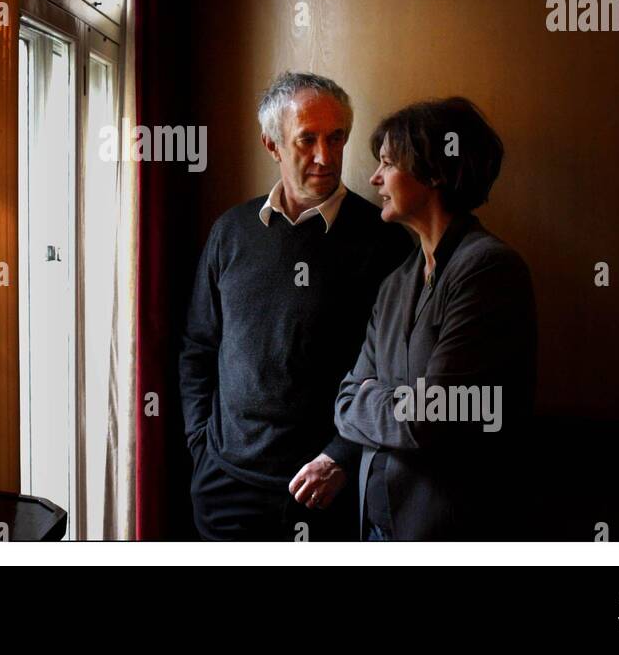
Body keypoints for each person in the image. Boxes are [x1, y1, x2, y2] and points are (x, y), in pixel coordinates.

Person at [180, 72, 413, 540]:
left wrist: (342, 459)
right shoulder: (232, 231)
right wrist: (200, 445)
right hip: (226, 486)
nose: (325, 157)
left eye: (336, 138)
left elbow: (395, 377)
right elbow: (199, 347)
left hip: (329, 491)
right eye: (307, 139)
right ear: (272, 145)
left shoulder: (383, 241)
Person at [334, 97, 537, 540]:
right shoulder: (394, 285)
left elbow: (432, 419)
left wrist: (374, 397)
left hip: (452, 532)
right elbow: (346, 399)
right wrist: (379, 399)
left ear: (435, 172)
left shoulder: (489, 270)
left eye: (387, 163)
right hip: (377, 530)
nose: (374, 178)